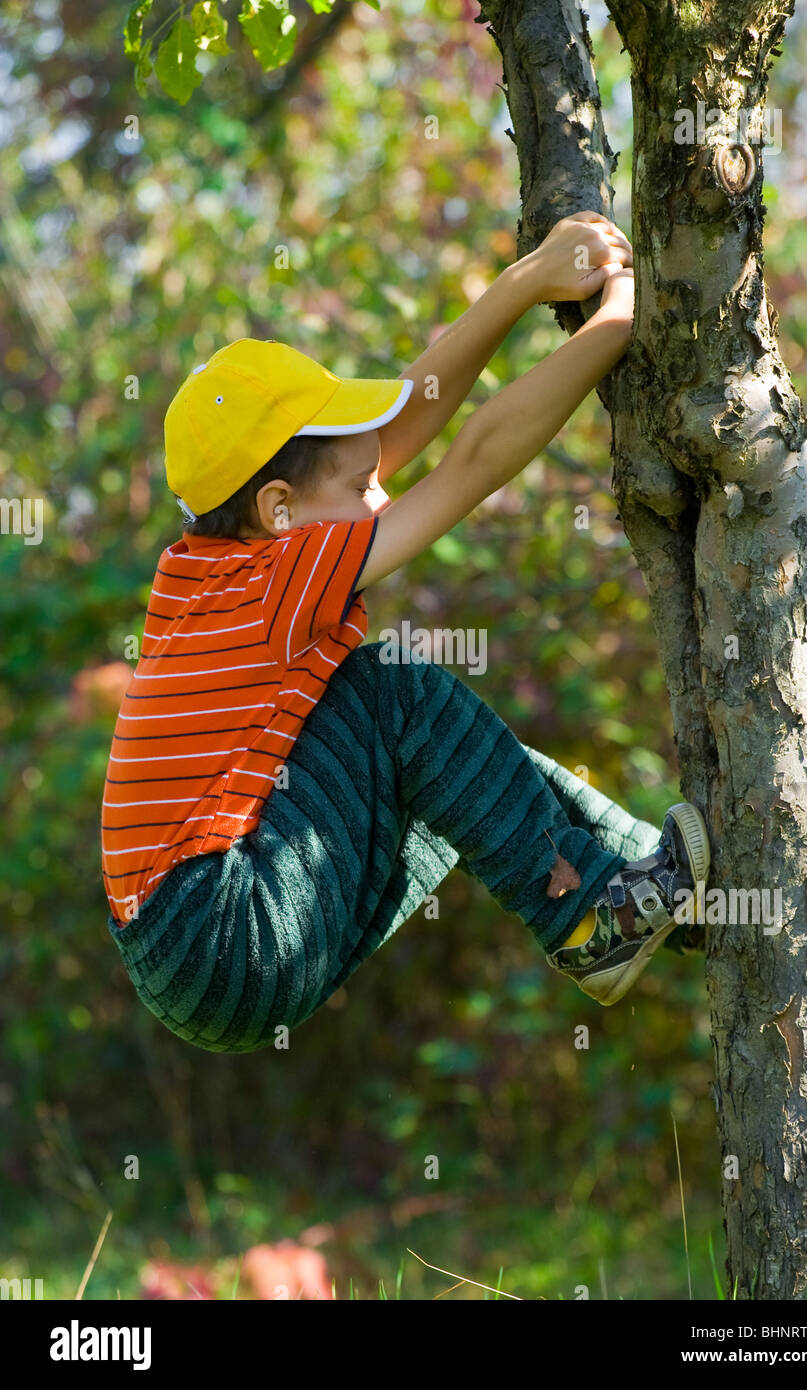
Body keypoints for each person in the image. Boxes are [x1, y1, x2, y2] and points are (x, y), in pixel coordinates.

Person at [101, 212, 709, 1054]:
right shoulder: (272, 577)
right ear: (278, 508)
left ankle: (656, 894)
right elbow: (474, 462)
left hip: (187, 952)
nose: (380, 500)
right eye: (363, 489)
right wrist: (621, 320)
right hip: (222, 927)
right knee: (391, 691)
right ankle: (589, 919)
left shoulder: (218, 565)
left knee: (441, 758)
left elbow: (404, 429)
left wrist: (528, 280)